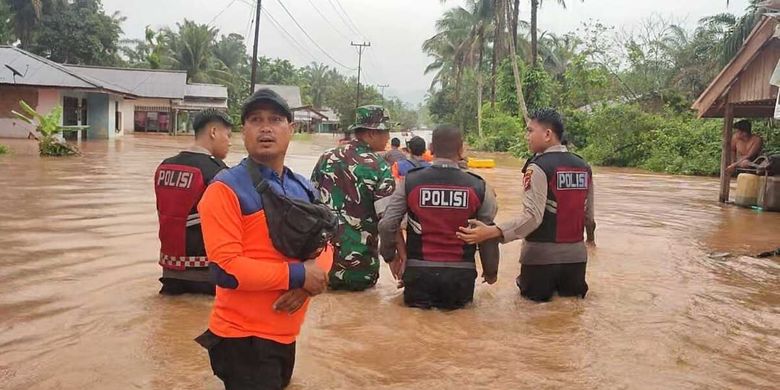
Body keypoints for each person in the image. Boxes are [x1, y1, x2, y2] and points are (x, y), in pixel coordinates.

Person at [195, 88, 333, 389]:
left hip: (285, 335)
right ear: (243, 132)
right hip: (241, 339)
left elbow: (327, 242)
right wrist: (298, 275)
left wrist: (309, 286)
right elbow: (226, 270)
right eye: (256, 120)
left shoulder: (304, 188)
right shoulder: (225, 190)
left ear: (291, 129)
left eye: (275, 119)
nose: (266, 127)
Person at [457, 108, 595, 302]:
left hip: (541, 259)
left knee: (532, 318)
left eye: (530, 131)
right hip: (577, 260)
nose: (526, 136)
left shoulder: (538, 167)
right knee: (570, 315)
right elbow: (588, 217)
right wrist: (591, 243)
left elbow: (532, 217)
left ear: (547, 134)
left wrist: (494, 232)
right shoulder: (583, 166)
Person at [379, 125, 499, 309]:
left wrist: (391, 257)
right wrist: (491, 271)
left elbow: (387, 224)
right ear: (461, 150)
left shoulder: (409, 182)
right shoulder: (479, 186)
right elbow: (488, 234)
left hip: (418, 273)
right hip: (461, 276)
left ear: (431, 148)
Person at [311, 105, 396, 291]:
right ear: (371, 133)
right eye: (385, 131)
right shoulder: (380, 167)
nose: (388, 137)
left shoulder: (326, 158)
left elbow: (310, 204)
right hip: (361, 268)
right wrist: (394, 257)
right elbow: (388, 220)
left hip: (321, 267)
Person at [154, 108, 232, 296]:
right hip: (205, 274)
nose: (229, 142)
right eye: (228, 135)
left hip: (170, 272)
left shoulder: (164, 166)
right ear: (213, 132)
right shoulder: (219, 172)